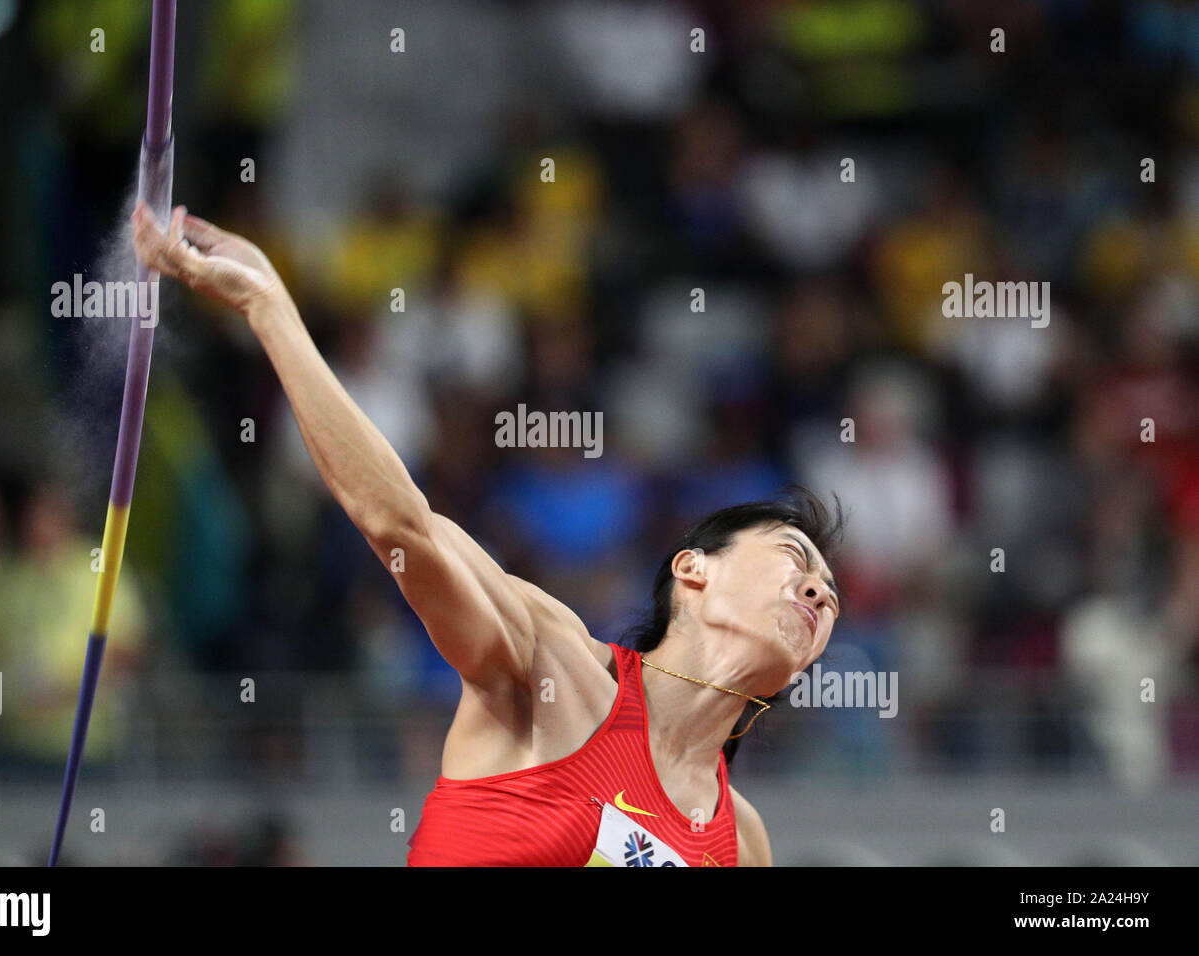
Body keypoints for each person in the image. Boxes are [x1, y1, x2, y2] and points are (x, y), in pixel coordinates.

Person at [130, 202, 843, 866]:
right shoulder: (554, 668)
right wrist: (270, 307)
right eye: (793, 557)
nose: (818, 590)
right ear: (693, 571)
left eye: (832, 597)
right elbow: (399, 524)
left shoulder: (742, 842)